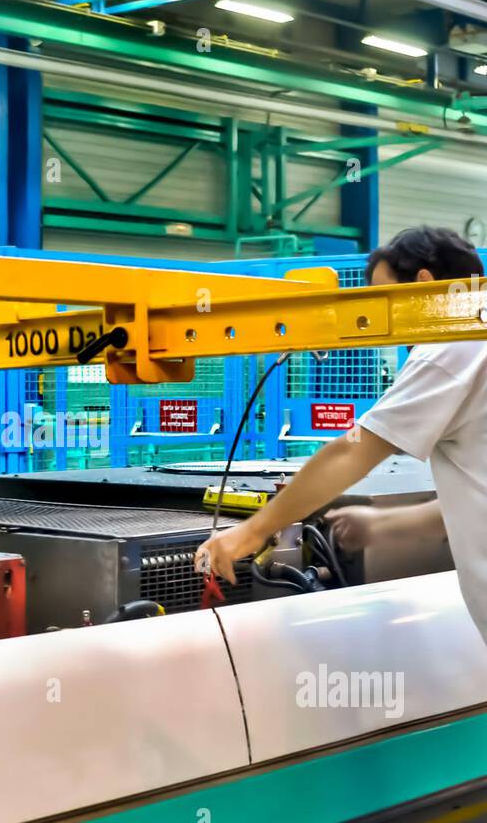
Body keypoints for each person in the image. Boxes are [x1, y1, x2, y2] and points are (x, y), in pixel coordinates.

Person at [199, 227, 487, 645]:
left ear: (424, 285)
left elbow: (350, 453)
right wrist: (387, 523)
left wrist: (251, 532)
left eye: (380, 298)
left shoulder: (453, 343)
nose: (378, 321)